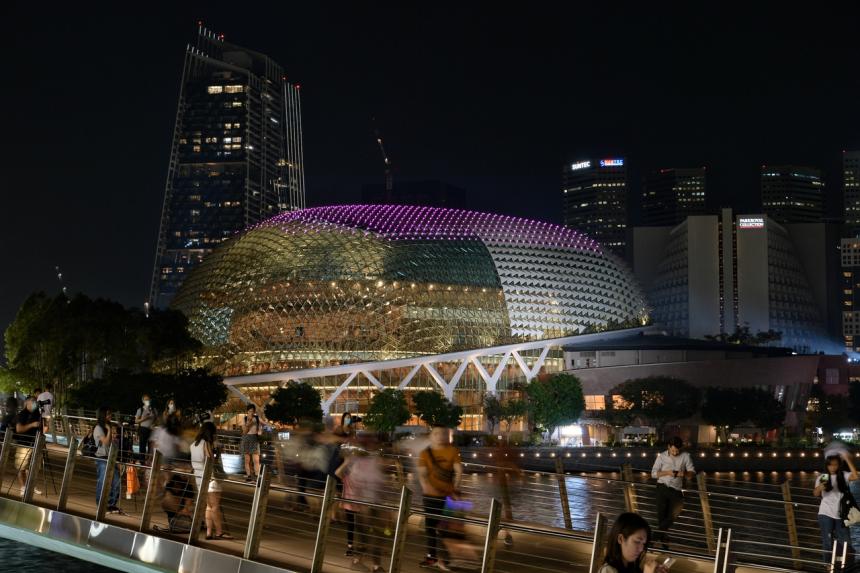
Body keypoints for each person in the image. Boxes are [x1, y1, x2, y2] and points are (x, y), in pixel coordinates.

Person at [335, 435, 384, 572]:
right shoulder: (357, 462)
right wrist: (346, 462)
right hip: (363, 504)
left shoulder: (373, 461)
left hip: (374, 503)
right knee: (366, 536)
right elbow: (339, 474)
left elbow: (378, 482)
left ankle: (375, 565)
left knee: (375, 536)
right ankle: (359, 561)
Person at [417, 425, 463, 570]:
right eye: (436, 433)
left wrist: (454, 487)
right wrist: (426, 487)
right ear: (431, 436)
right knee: (432, 527)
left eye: (441, 433)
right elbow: (422, 475)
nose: (439, 436)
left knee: (442, 528)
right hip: (431, 496)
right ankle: (433, 558)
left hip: (445, 496)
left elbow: (459, 471)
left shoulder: (453, 451)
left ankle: (441, 559)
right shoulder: (425, 453)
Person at [191, 421, 233, 540]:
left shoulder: (194, 444)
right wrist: (217, 454)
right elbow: (211, 461)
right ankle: (219, 532)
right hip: (211, 479)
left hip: (200, 479)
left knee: (208, 507)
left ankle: (209, 532)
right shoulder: (206, 444)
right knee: (215, 506)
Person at [650, 436, 695, 547]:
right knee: (662, 517)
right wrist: (668, 473)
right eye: (673, 450)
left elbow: (691, 473)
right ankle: (664, 546)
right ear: (668, 447)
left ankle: (652, 539)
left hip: (676, 490)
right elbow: (653, 474)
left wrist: (682, 474)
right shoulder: (661, 457)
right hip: (662, 488)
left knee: (675, 513)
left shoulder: (686, 456)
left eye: (677, 450)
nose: (675, 452)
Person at [813, 452, 858, 560]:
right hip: (825, 513)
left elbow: (855, 476)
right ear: (826, 465)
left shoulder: (843, 475)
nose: (832, 467)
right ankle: (828, 564)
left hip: (841, 515)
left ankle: (846, 563)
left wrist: (847, 459)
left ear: (839, 465)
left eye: (835, 464)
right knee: (827, 540)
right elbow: (816, 494)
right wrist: (819, 488)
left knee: (846, 541)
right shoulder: (824, 477)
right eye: (830, 464)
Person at [598, 512, 668, 573]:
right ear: (620, 539)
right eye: (637, 542)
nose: (641, 549)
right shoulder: (607, 570)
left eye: (643, 544)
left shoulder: (632, 568)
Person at [93, 406, 123, 513]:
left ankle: (111, 504)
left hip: (111, 458)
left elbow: (111, 443)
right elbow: (105, 442)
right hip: (102, 458)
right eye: (108, 414)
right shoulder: (98, 428)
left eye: (110, 414)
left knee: (116, 481)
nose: (110, 416)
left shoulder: (108, 427)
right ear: (103, 416)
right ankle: (100, 504)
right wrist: (110, 430)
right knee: (102, 482)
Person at [14, 395, 41, 497]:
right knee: (21, 467)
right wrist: (32, 425)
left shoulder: (37, 414)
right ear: (27, 403)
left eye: (36, 401)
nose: (35, 403)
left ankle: (31, 486)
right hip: (23, 444)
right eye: (33, 401)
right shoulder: (22, 414)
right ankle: (23, 488)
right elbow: (19, 429)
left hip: (35, 444)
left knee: (32, 468)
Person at [242, 404, 262, 481]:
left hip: (254, 439)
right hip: (247, 439)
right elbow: (244, 431)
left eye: (253, 411)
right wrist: (249, 422)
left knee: (256, 460)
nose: (251, 413)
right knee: (247, 460)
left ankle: (257, 476)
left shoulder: (257, 418)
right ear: (247, 411)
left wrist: (260, 430)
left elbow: (261, 425)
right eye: (250, 411)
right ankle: (249, 476)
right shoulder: (244, 418)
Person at [135, 394, 158, 458]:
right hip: (143, 429)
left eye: (148, 399)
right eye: (146, 399)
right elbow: (136, 421)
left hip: (151, 430)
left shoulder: (154, 410)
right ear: (143, 401)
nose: (147, 401)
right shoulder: (140, 410)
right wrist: (144, 418)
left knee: (151, 447)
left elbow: (157, 419)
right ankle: (142, 461)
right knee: (142, 446)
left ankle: (150, 461)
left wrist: (154, 424)